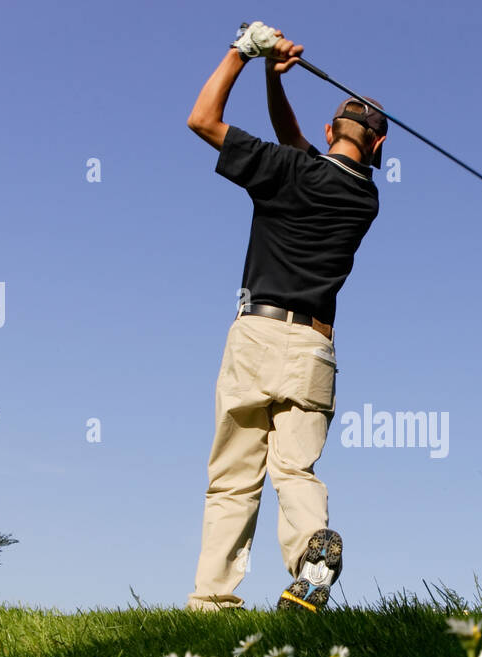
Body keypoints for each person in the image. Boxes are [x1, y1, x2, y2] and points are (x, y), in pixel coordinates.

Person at [184, 22, 387, 613]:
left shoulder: (285, 170)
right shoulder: (364, 197)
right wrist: (277, 81)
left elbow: (201, 119)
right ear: (376, 148)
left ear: (330, 132)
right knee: (294, 471)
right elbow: (296, 145)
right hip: (313, 349)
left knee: (234, 476)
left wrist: (242, 53)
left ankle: (214, 598)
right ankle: (309, 563)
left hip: (256, 334)